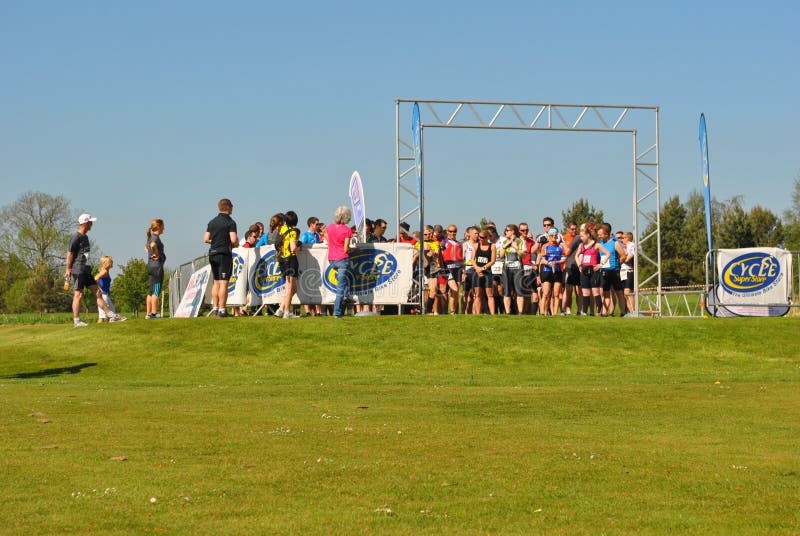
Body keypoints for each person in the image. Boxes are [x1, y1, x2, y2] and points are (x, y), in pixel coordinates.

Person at [65, 213, 126, 327]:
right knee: (78, 295)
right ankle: (76, 321)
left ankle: (112, 315)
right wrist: (68, 269)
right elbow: (69, 254)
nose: (92, 224)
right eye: (90, 222)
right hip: (78, 270)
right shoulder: (76, 237)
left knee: (98, 293)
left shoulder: (85, 237)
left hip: (86, 269)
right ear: (86, 223)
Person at [204, 198, 238, 318]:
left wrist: (217, 241)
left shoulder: (212, 222)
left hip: (213, 253)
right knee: (224, 282)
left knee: (216, 282)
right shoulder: (230, 222)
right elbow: (233, 240)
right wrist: (233, 242)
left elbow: (206, 239)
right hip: (224, 254)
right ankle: (222, 310)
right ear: (228, 207)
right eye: (232, 206)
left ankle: (215, 308)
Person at [327, 206, 356, 318]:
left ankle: (346, 295)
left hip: (332, 259)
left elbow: (329, 244)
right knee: (340, 287)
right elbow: (346, 249)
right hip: (342, 259)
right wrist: (355, 249)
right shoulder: (347, 230)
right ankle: (337, 312)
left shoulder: (329, 227)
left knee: (342, 283)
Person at [575, 222, 609, 316]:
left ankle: (599, 312)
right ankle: (584, 312)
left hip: (594, 271)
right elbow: (576, 256)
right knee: (585, 293)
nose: (580, 238)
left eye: (582, 236)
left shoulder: (596, 245)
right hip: (584, 270)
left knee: (595, 292)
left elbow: (607, 254)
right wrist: (579, 265)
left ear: (588, 235)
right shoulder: (581, 245)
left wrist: (601, 264)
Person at [597, 222, 628, 316]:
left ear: (606, 234)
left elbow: (623, 256)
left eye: (600, 234)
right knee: (605, 293)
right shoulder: (600, 244)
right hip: (604, 271)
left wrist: (617, 265)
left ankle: (623, 312)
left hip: (614, 271)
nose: (599, 236)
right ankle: (604, 312)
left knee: (619, 292)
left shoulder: (615, 243)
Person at [275, 211, 301, 319]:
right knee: (290, 288)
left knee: (293, 288)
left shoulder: (282, 229)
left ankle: (281, 309)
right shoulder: (292, 231)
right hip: (290, 259)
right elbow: (293, 248)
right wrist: (298, 246)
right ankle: (286, 312)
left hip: (282, 259)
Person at [498, 224, 526, 315]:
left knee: (519, 291)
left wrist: (516, 247)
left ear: (513, 231)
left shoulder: (520, 241)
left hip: (517, 268)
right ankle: (507, 312)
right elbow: (501, 256)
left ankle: (520, 312)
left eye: (507, 230)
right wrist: (505, 246)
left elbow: (523, 255)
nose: (505, 232)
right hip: (506, 269)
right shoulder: (504, 241)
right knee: (507, 291)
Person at [537, 228, 566, 316]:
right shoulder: (545, 246)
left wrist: (556, 262)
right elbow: (542, 259)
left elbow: (564, 259)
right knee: (546, 293)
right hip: (547, 271)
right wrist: (549, 263)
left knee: (556, 294)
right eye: (552, 235)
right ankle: (543, 312)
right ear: (549, 236)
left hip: (557, 272)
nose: (554, 237)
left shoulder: (560, 247)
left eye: (555, 235)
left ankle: (554, 314)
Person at [471, 230, 496, 314]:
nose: (480, 239)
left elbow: (493, 261)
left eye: (482, 237)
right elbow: (472, 259)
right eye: (479, 237)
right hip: (477, 273)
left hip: (487, 273)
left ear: (487, 237)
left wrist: (482, 268)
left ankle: (493, 314)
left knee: (490, 294)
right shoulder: (475, 245)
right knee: (477, 294)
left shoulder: (492, 246)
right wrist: (477, 268)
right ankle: (478, 314)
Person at [145, 218, 166, 319]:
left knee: (150, 291)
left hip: (150, 266)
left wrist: (150, 253)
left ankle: (148, 314)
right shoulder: (155, 238)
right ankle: (154, 313)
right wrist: (156, 253)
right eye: (163, 226)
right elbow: (153, 245)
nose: (164, 228)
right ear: (159, 227)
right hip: (157, 267)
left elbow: (146, 247)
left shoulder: (150, 237)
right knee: (156, 291)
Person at [441, 224, 463, 314]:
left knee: (456, 292)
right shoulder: (444, 242)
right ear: (447, 232)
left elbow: (461, 259)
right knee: (450, 290)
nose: (452, 233)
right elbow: (440, 256)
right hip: (447, 268)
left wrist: (463, 270)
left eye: (454, 231)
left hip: (457, 269)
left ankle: (454, 312)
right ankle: (447, 311)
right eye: (450, 231)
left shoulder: (459, 243)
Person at [561, 221, 581, 315]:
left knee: (578, 290)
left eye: (575, 228)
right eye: (572, 229)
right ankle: (566, 310)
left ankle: (579, 311)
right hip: (568, 266)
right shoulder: (564, 238)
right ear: (568, 229)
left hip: (578, 266)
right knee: (568, 290)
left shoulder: (580, 238)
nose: (574, 230)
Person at [95, 256, 117, 323]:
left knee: (112, 314)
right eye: (110, 262)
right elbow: (96, 278)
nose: (112, 263)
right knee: (103, 316)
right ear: (107, 263)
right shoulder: (104, 271)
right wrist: (99, 288)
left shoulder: (106, 271)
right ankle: (98, 332)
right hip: (103, 296)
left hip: (105, 295)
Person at [621, 231, 636, 315]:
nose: (622, 240)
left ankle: (633, 311)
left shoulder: (631, 245)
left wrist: (624, 256)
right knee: (625, 294)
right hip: (622, 271)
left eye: (623, 238)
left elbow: (627, 259)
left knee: (628, 292)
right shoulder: (624, 246)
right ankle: (629, 312)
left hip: (629, 270)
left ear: (627, 238)